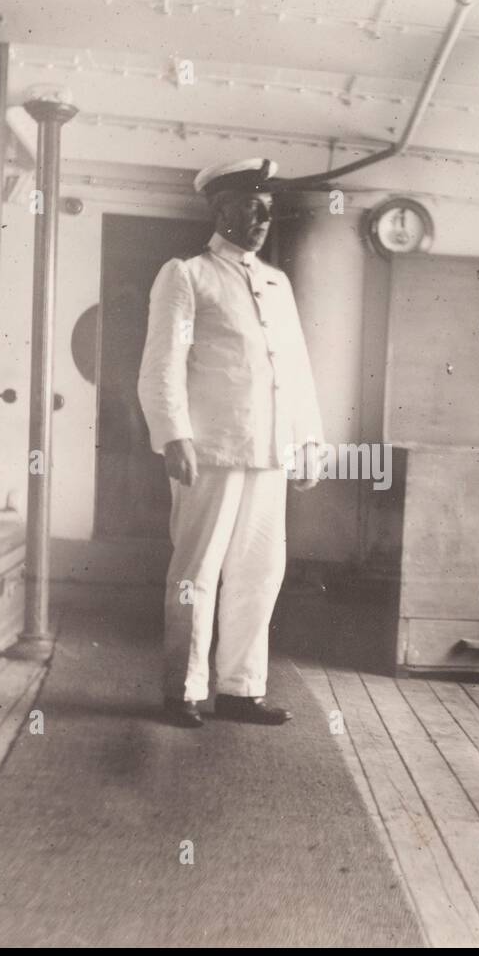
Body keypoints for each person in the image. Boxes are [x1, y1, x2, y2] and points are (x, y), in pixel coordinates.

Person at [137, 157, 324, 728]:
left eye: (268, 206)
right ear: (221, 209)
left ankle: (243, 690)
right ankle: (184, 691)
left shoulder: (277, 282)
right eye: (251, 204)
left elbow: (295, 368)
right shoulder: (187, 275)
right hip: (212, 450)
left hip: (268, 452)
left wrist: (308, 441)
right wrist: (173, 434)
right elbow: (161, 364)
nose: (263, 215)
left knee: (261, 571)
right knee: (196, 572)